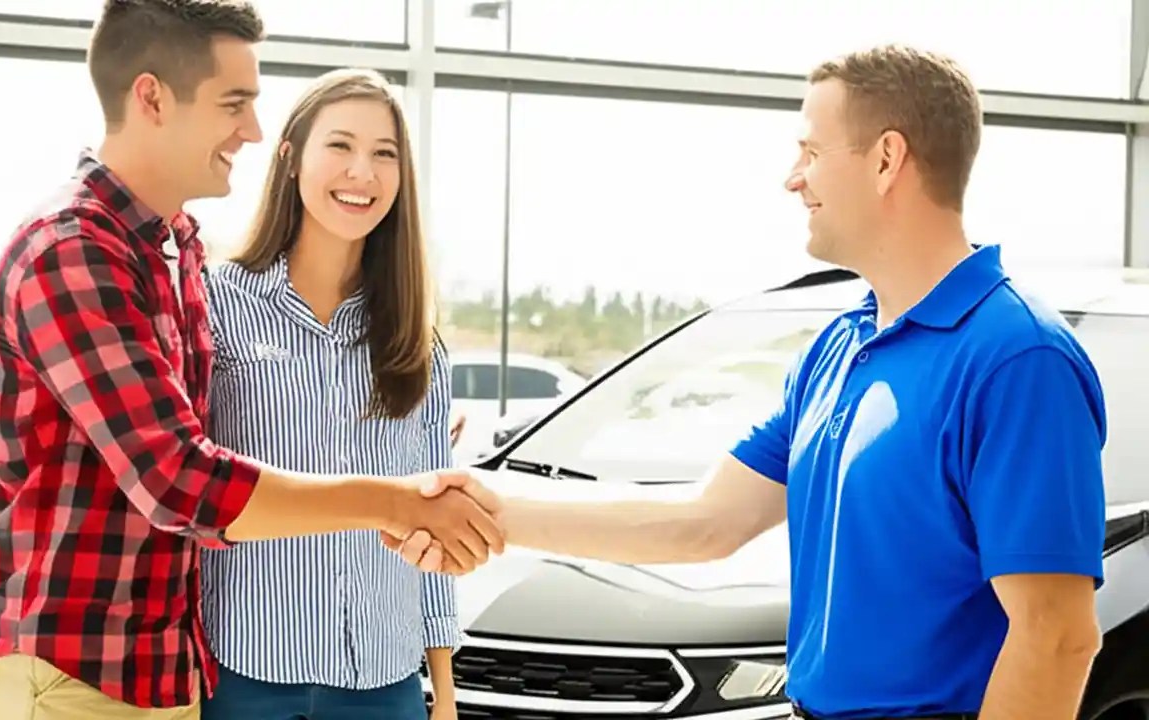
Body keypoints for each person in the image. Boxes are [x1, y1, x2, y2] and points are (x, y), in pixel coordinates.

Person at [395, 44, 1108, 720]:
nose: (793, 176)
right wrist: (490, 509)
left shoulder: (1018, 358)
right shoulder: (840, 347)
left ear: (887, 158)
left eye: (812, 151)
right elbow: (705, 521)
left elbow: (1056, 636)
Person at [0, 3, 502, 719]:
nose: (250, 128)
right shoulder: (78, 252)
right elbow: (180, 478)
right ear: (153, 97)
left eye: (386, 153)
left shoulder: (171, 252)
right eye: (234, 104)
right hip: (74, 664)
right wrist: (394, 497)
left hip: (161, 670)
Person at [197, 68, 460, 720]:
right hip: (243, 675)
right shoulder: (216, 306)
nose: (362, 174)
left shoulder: (415, 342)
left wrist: (444, 695)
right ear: (290, 159)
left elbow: (435, 530)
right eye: (340, 146)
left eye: (384, 154)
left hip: (384, 681)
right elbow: (187, 489)